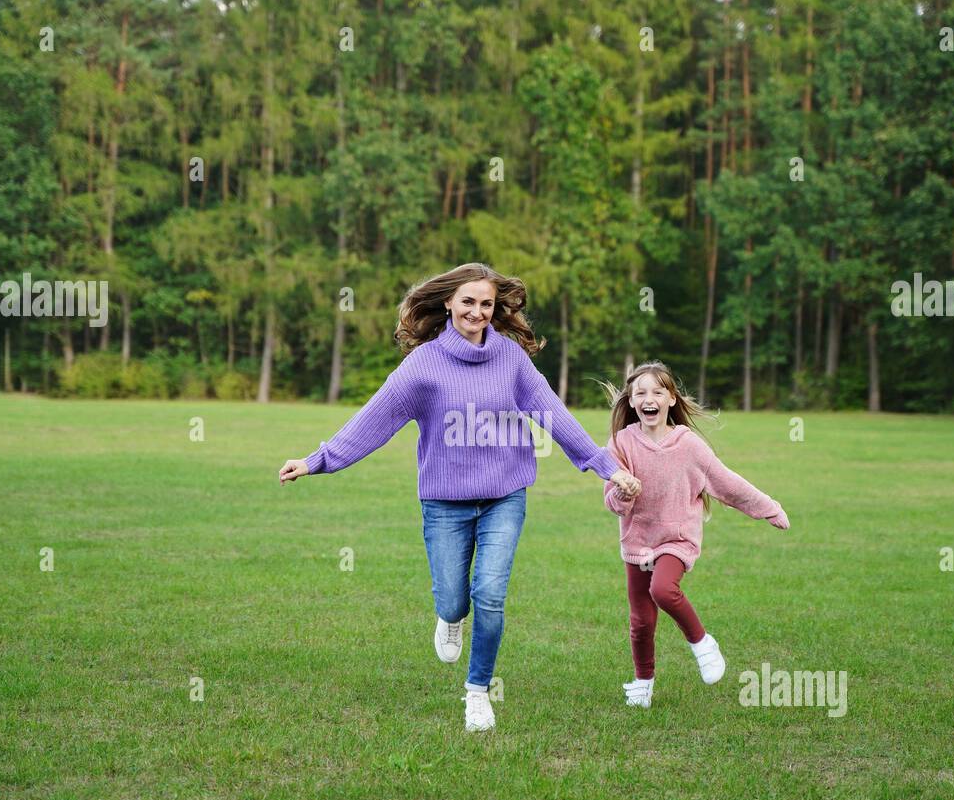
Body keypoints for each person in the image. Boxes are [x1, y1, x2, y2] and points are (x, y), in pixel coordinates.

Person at [278, 262, 640, 731]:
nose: (477, 311)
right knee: (453, 599)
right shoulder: (423, 365)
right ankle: (450, 618)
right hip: (444, 503)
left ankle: (477, 692)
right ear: (448, 302)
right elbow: (373, 420)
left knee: (489, 594)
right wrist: (317, 460)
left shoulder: (511, 360)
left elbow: (554, 415)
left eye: (486, 303)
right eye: (468, 301)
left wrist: (607, 467)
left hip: (504, 497)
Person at [600, 362, 789, 709]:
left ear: (671, 399)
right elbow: (612, 502)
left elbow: (727, 483)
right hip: (639, 542)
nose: (649, 398)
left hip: (677, 539)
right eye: (640, 393)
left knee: (662, 588)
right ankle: (643, 683)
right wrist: (624, 493)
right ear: (630, 401)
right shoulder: (621, 444)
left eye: (657, 391)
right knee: (641, 621)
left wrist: (768, 508)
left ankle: (703, 643)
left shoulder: (689, 446)